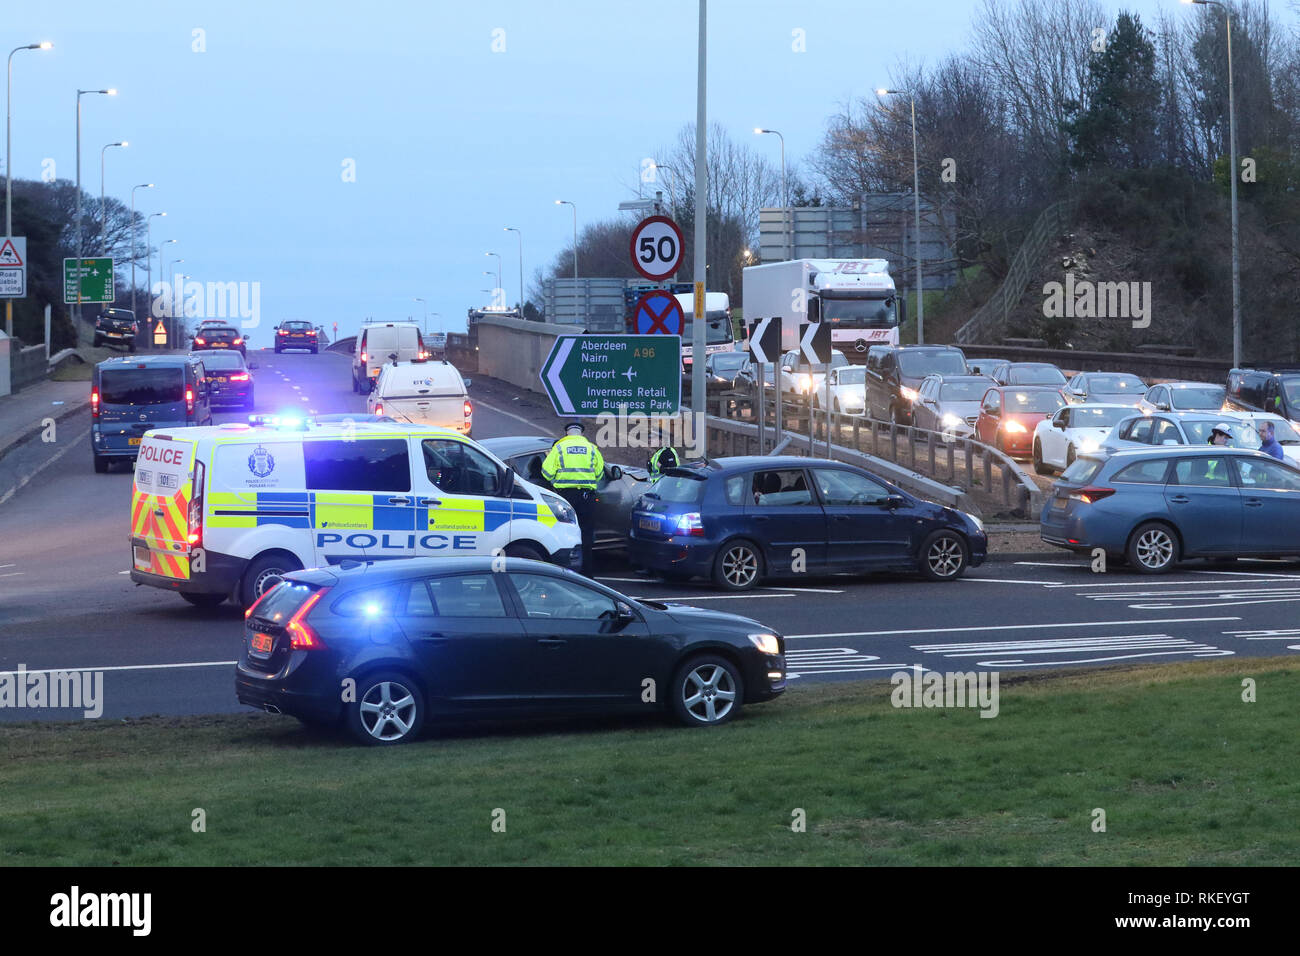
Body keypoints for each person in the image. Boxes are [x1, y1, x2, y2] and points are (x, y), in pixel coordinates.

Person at [541, 421, 605, 575]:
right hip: (586, 497)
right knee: (586, 533)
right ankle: (588, 573)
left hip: (566, 497)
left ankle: (567, 573)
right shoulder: (592, 448)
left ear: (567, 433)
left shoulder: (560, 448)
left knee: (565, 532)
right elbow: (600, 473)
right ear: (581, 434)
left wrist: (556, 482)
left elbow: (546, 472)